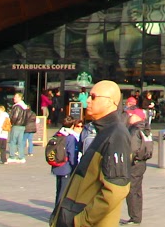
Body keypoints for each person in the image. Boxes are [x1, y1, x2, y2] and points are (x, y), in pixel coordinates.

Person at [52, 80, 133, 227]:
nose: (88, 100)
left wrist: (81, 221)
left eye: (93, 97)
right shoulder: (102, 131)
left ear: (110, 102)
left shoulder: (116, 135)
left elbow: (116, 190)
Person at [123, 106, 152, 225]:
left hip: (134, 163)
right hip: (142, 162)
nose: (129, 117)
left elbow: (132, 149)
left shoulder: (135, 130)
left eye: (131, 115)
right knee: (137, 190)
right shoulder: (145, 129)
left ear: (137, 117)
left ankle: (134, 217)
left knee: (132, 190)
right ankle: (136, 216)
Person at [10, 94, 33, 162]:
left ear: (20, 98)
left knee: (13, 141)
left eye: (16, 97)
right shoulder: (25, 107)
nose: (14, 98)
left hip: (16, 125)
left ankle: (12, 156)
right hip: (22, 126)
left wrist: (11, 122)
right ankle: (21, 157)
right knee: (20, 141)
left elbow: (15, 116)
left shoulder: (17, 106)